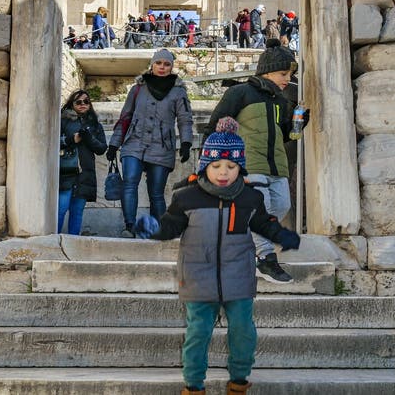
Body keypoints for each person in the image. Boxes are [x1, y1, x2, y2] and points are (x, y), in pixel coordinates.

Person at [152, 116, 300, 395]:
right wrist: (154, 228)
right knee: (198, 333)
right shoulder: (187, 197)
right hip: (197, 276)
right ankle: (193, 385)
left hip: (238, 276)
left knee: (243, 330)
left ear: (240, 167)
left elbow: (262, 224)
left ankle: (239, 381)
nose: (223, 172)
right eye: (217, 166)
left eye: (231, 166)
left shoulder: (249, 198)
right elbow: (171, 226)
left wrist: (281, 235)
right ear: (205, 165)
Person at [204, 39, 308, 284]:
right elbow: (214, 125)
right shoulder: (239, 93)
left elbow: (286, 135)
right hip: (247, 162)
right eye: (284, 73)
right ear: (267, 71)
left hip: (277, 165)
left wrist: (299, 124)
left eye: (290, 74)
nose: (287, 79)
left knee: (280, 207)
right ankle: (265, 259)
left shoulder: (281, 101)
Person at [106, 48, 193, 237]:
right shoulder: (138, 89)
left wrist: (186, 143)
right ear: (152, 64)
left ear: (171, 67)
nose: (162, 67)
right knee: (129, 183)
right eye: (159, 63)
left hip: (162, 146)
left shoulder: (178, 92)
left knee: (156, 192)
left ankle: (158, 229)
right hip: (134, 142)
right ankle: (129, 226)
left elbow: (185, 119)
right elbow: (125, 116)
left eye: (166, 64)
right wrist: (114, 143)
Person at [58, 89, 107, 235]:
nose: (82, 104)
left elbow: (101, 148)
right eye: (78, 102)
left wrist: (88, 138)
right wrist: (71, 140)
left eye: (86, 101)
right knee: (61, 208)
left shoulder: (95, 125)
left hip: (85, 172)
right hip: (66, 171)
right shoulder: (62, 120)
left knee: (77, 211)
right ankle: (54, 240)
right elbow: (51, 141)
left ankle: (73, 242)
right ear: (72, 104)